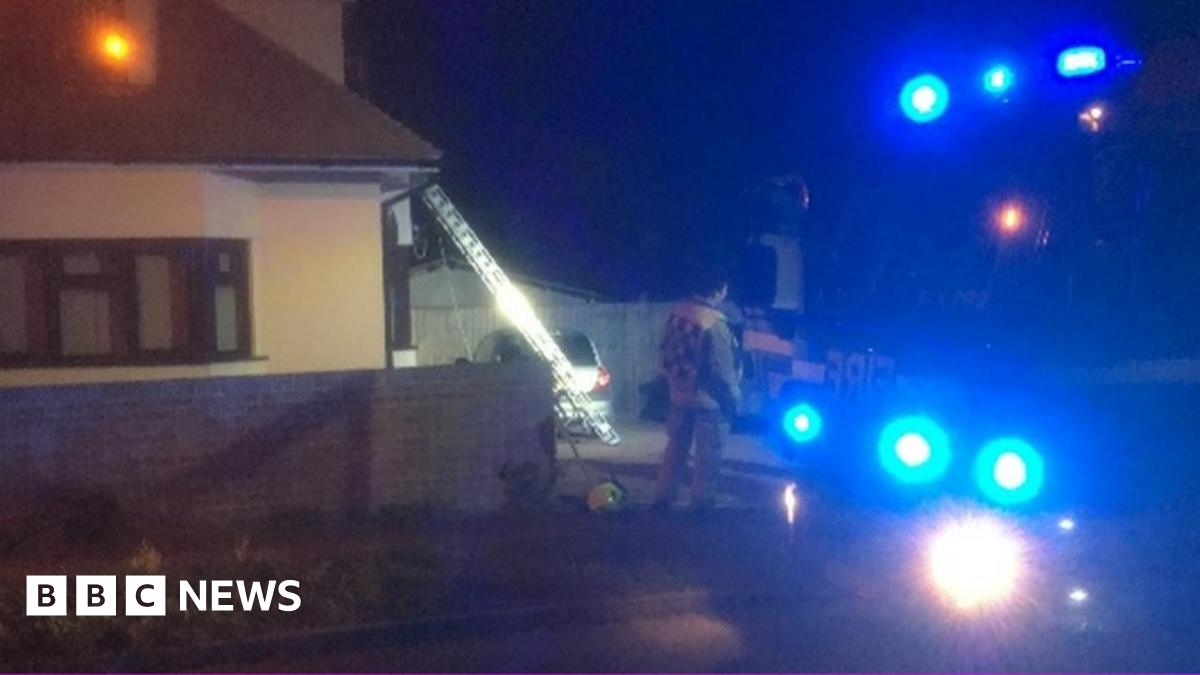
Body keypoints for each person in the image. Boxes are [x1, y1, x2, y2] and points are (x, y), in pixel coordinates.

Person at [651, 269, 741, 512]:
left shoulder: (677, 314)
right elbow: (721, 369)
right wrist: (733, 398)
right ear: (718, 290)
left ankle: (663, 497)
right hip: (708, 401)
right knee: (707, 459)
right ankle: (701, 505)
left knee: (674, 453)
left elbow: (664, 352)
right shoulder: (714, 323)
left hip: (678, 395)